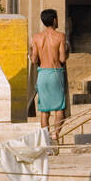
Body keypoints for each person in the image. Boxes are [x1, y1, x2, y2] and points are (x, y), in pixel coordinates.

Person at [31, 9, 70, 146]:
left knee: (44, 110)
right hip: (55, 73)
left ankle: (45, 139)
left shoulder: (36, 37)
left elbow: (34, 59)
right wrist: (67, 52)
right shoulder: (60, 36)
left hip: (42, 74)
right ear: (54, 20)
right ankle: (55, 135)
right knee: (60, 108)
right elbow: (62, 58)